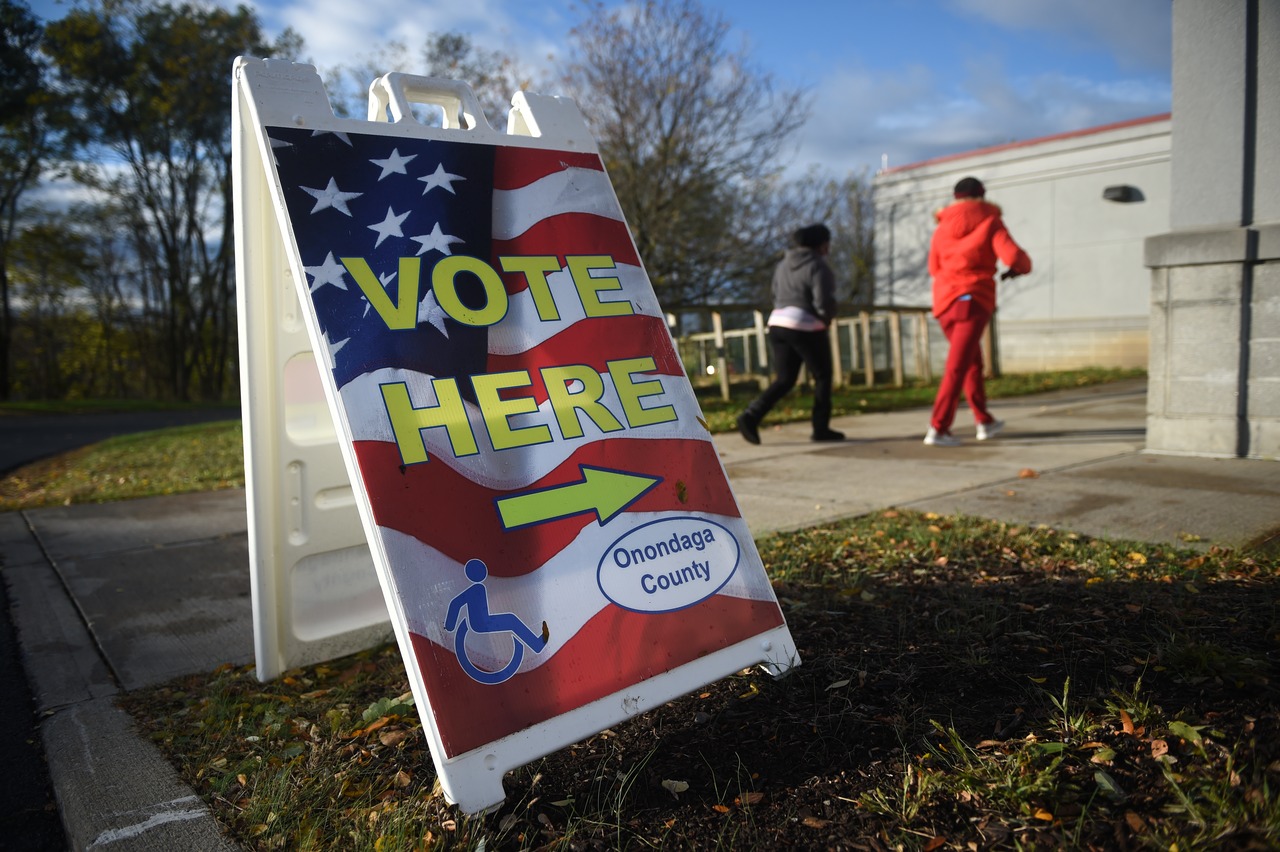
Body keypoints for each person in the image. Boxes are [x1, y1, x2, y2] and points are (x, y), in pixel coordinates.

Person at [923, 177, 1032, 447]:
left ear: (955, 197)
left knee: (972, 362)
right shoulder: (990, 221)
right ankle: (938, 428)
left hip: (945, 303)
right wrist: (1018, 269)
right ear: (982, 196)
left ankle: (984, 421)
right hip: (972, 300)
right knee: (958, 366)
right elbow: (1016, 258)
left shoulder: (941, 227)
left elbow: (933, 267)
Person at [737, 223, 845, 445]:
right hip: (805, 324)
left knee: (785, 379)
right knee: (823, 376)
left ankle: (751, 416)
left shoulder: (782, 265)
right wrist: (826, 319)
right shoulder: (818, 265)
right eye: (827, 244)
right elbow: (823, 301)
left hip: (777, 322)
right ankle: (820, 428)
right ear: (822, 244)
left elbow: (774, 293)